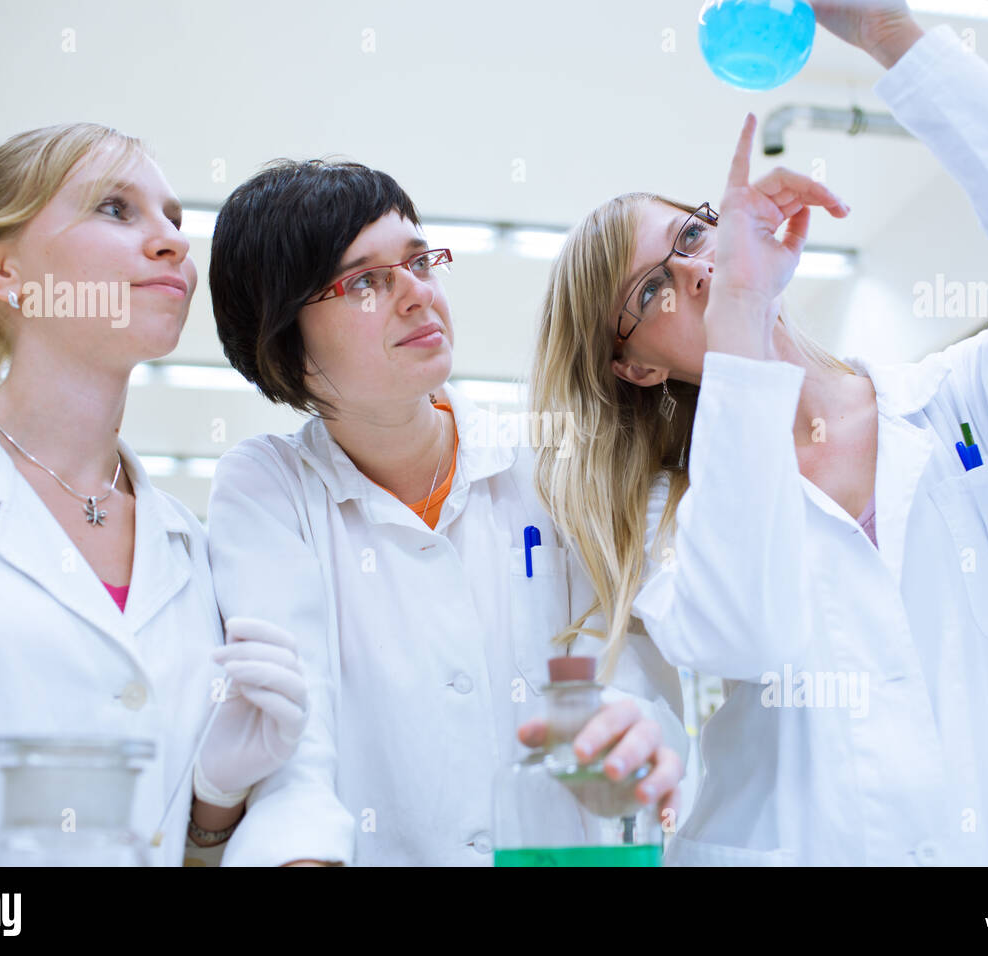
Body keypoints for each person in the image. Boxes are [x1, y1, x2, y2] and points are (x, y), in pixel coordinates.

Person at [529, 2, 988, 865]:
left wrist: (889, 35)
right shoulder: (664, 516)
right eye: (651, 292)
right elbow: (742, 634)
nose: (696, 268)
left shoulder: (960, 405)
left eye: (691, 233)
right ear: (635, 367)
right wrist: (743, 320)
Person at [205, 159, 687, 866]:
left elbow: (631, 680)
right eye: (364, 281)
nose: (416, 295)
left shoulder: (548, 459)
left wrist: (638, 734)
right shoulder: (269, 486)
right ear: (286, 348)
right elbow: (296, 750)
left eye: (419, 260)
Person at [0, 123, 308, 865]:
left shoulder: (190, 551)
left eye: (174, 218)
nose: (172, 241)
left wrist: (214, 804)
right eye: (115, 208)